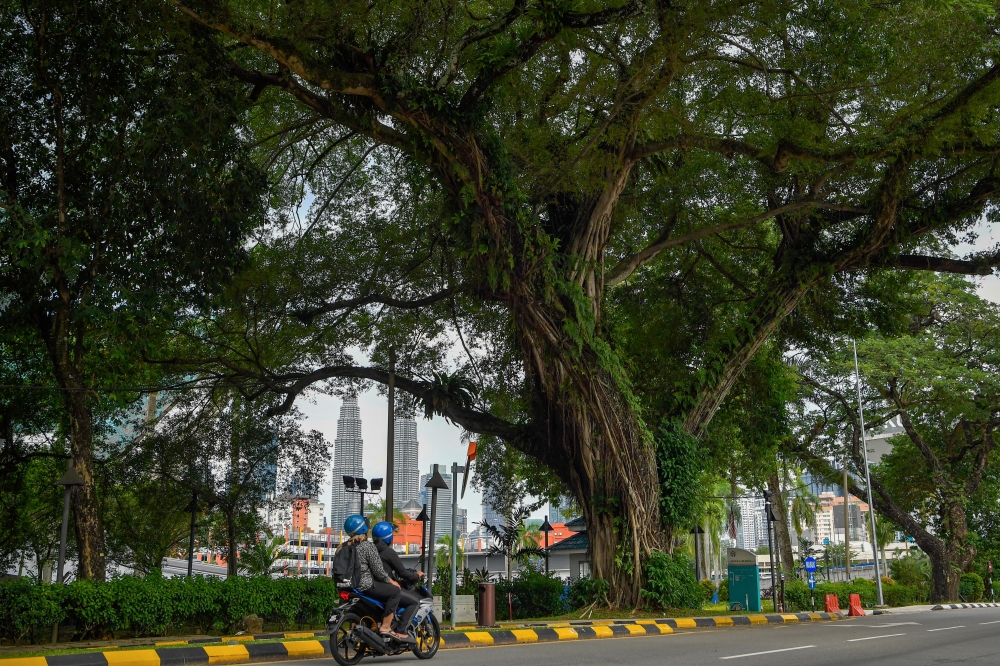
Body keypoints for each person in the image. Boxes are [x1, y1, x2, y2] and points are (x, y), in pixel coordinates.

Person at [340, 515, 408, 641]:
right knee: (395, 592)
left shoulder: (342, 547)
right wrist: (392, 582)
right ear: (363, 530)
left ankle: (357, 627)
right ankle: (386, 627)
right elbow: (379, 571)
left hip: (345, 586)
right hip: (364, 586)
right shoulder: (367, 546)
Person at [372, 521, 425, 632]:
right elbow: (402, 572)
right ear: (388, 537)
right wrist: (416, 575)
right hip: (386, 587)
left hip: (371, 587)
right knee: (415, 601)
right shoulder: (388, 552)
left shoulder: (369, 550)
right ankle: (401, 631)